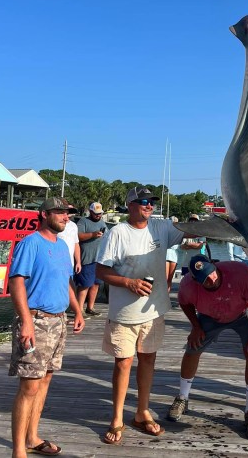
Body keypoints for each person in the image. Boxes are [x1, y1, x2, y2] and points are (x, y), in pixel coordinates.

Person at [95, 187, 194, 445]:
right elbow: (101, 271)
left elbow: (191, 232)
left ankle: (142, 411)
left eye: (151, 202)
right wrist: (128, 282)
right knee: (123, 363)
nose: (149, 206)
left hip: (153, 310)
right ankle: (117, 418)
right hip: (123, 313)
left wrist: (226, 224)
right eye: (143, 202)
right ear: (130, 205)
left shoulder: (161, 228)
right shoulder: (117, 232)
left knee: (148, 360)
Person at [8, 197, 85, 458]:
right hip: (36, 320)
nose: (66, 217)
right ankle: (18, 450)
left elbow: (66, 282)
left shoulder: (63, 246)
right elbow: (16, 283)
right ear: (44, 214)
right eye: (60, 212)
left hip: (58, 320)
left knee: (45, 380)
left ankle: (32, 436)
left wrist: (77, 310)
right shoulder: (30, 243)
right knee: (29, 385)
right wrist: (26, 323)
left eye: (68, 213)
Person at [167, 255, 248, 440]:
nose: (212, 279)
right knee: (192, 348)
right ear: (196, 281)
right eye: (205, 278)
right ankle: (182, 398)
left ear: (214, 265)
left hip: (243, 313)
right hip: (210, 316)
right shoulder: (188, 285)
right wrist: (196, 326)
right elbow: (184, 303)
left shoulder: (240, 272)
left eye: (211, 272)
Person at [75, 202, 107, 317]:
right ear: (91, 212)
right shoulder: (83, 221)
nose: (98, 215)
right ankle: (79, 309)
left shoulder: (103, 223)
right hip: (87, 259)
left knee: (96, 284)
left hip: (99, 260)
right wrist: (93, 234)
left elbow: (107, 237)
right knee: (85, 284)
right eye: (96, 213)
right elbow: (78, 236)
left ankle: (90, 307)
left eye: (100, 213)